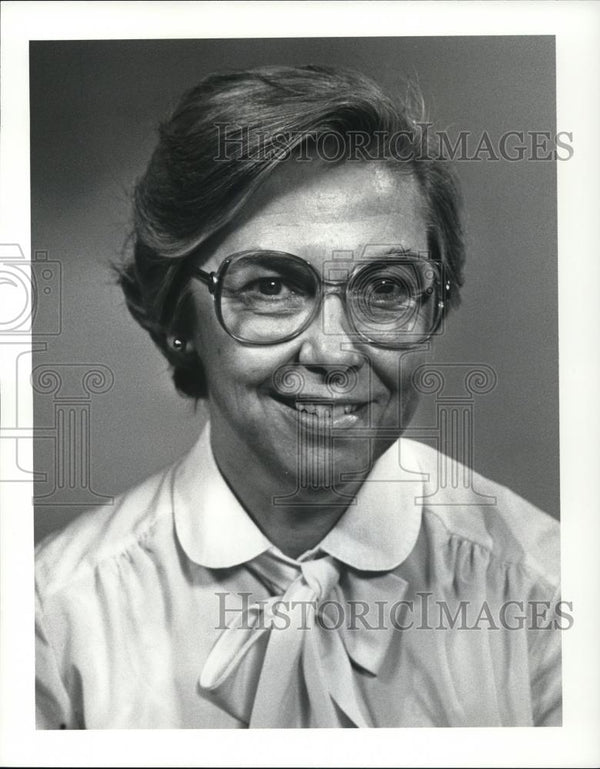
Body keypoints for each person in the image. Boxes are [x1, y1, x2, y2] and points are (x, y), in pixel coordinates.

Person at [35, 65, 561, 729]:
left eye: (387, 288)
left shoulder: (548, 598)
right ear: (176, 318)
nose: (335, 351)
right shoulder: (52, 624)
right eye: (272, 287)